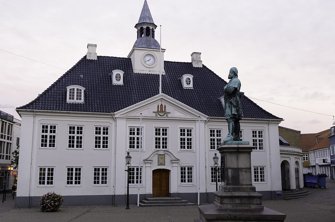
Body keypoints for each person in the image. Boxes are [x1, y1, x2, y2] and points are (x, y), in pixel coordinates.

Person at [223, 67, 243, 142]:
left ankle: (230, 135)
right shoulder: (231, 81)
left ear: (233, 73)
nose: (229, 74)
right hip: (231, 101)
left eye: (230, 72)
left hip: (232, 102)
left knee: (230, 118)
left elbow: (230, 90)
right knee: (234, 119)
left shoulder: (235, 80)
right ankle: (236, 136)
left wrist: (225, 88)